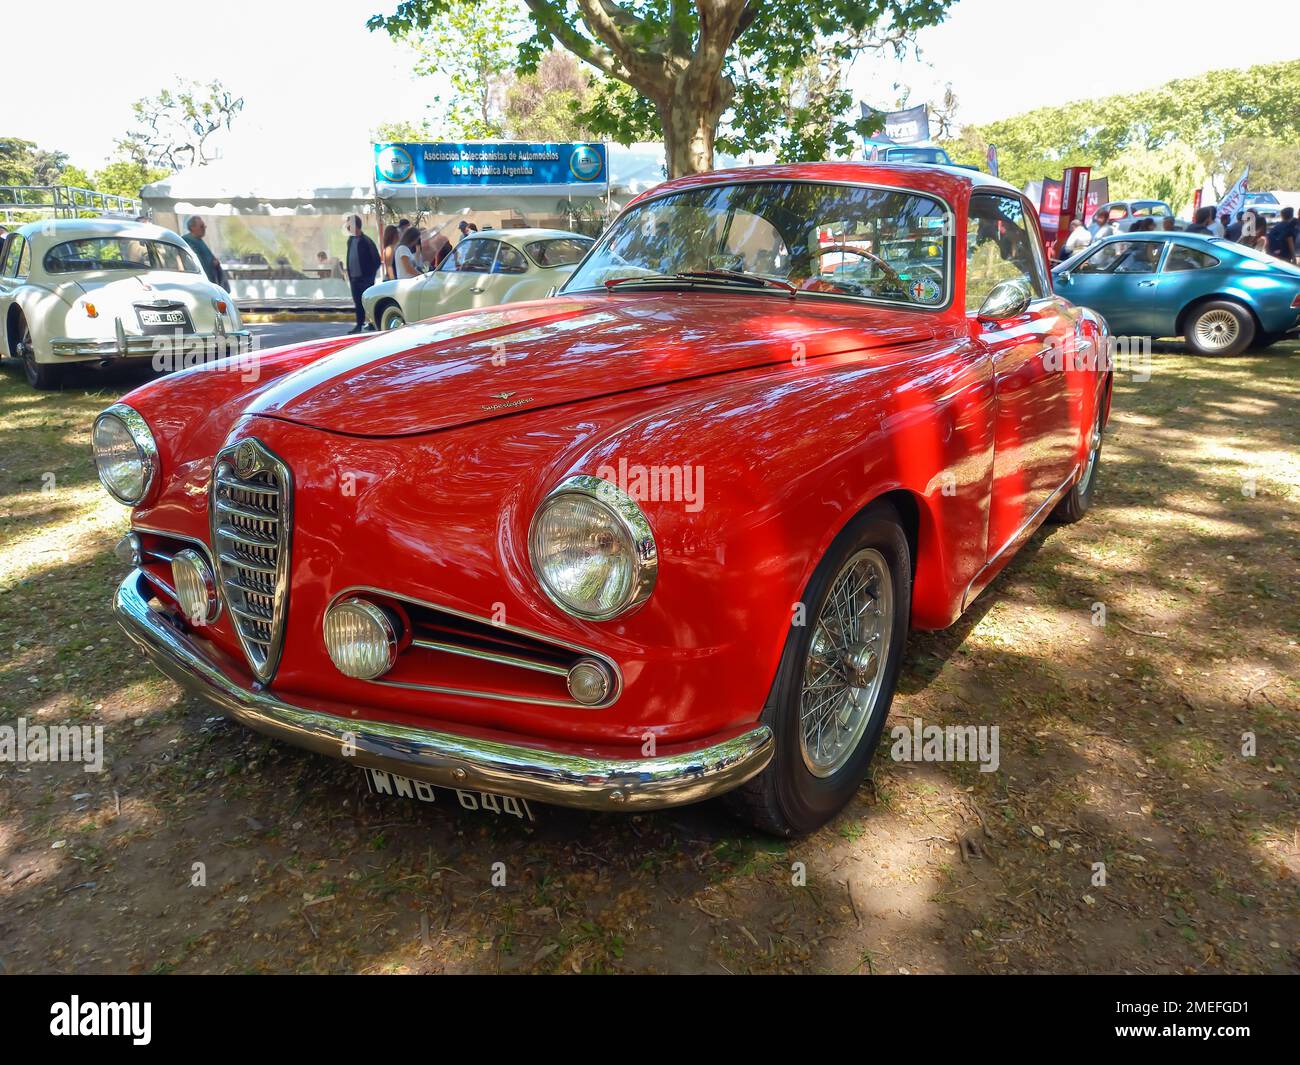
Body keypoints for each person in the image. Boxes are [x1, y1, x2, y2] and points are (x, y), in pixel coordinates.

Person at [344, 214, 381, 333]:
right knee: (357, 303)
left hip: (365, 279)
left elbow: (376, 260)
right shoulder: (350, 241)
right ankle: (359, 325)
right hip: (354, 278)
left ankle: (373, 323)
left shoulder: (366, 241)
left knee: (368, 302)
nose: (347, 227)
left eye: (349, 224)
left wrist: (369, 276)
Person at [183, 215, 224, 286]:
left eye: (204, 226)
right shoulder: (188, 240)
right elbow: (195, 260)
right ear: (193, 228)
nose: (204, 228)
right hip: (199, 282)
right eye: (201, 226)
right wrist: (212, 263)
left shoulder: (198, 240)